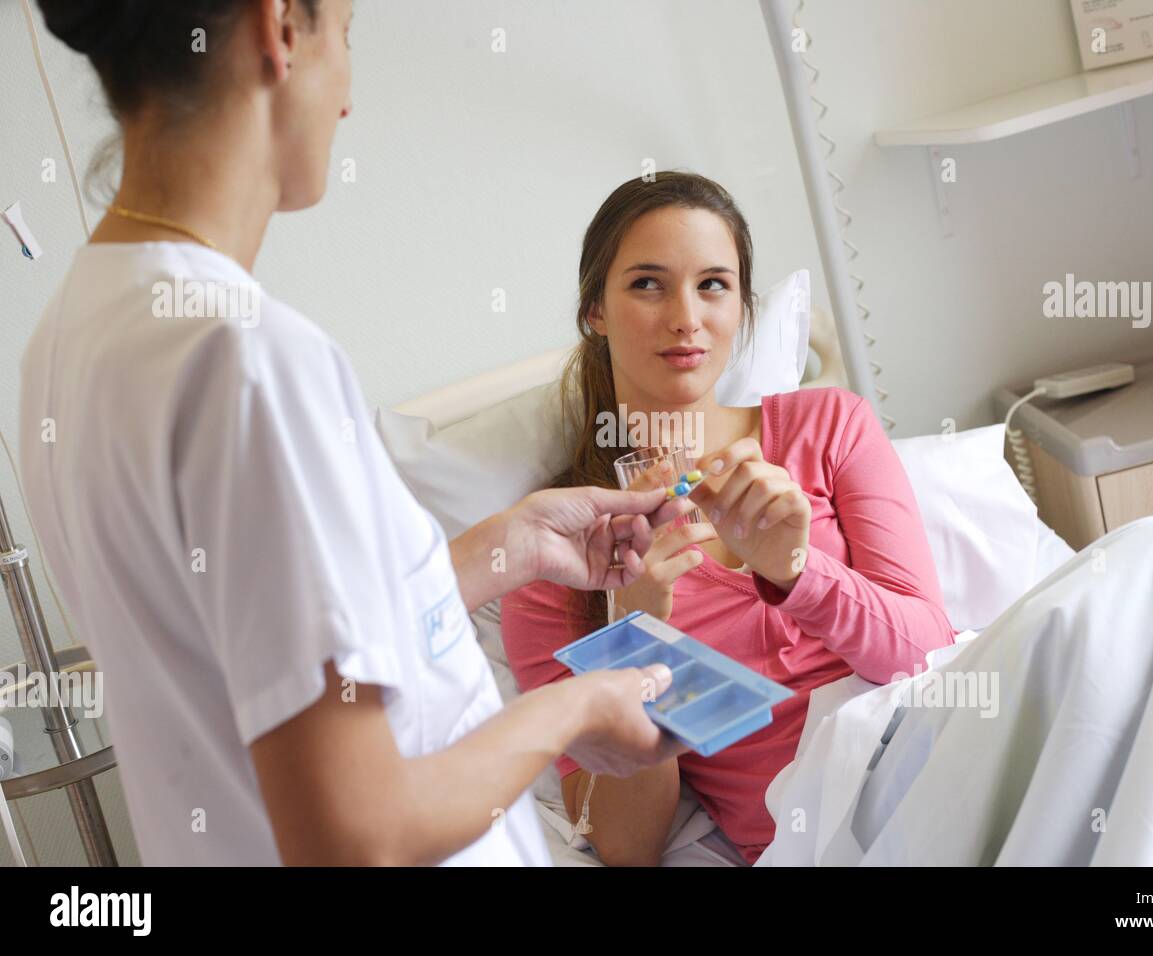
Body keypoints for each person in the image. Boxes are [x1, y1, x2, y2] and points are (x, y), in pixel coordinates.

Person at [19, 0, 693, 866]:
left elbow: (260, 651)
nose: (347, 95)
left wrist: (504, 547)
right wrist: (578, 709)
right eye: (346, 31)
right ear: (279, 28)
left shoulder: (74, 329)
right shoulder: (249, 362)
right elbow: (356, 833)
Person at [501, 172, 958, 865]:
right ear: (594, 308)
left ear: (742, 305)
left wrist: (798, 572)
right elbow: (626, 845)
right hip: (825, 831)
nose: (686, 316)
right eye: (648, 284)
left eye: (713, 284)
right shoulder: (558, 555)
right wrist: (639, 642)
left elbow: (929, 650)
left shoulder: (829, 427)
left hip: (941, 742)